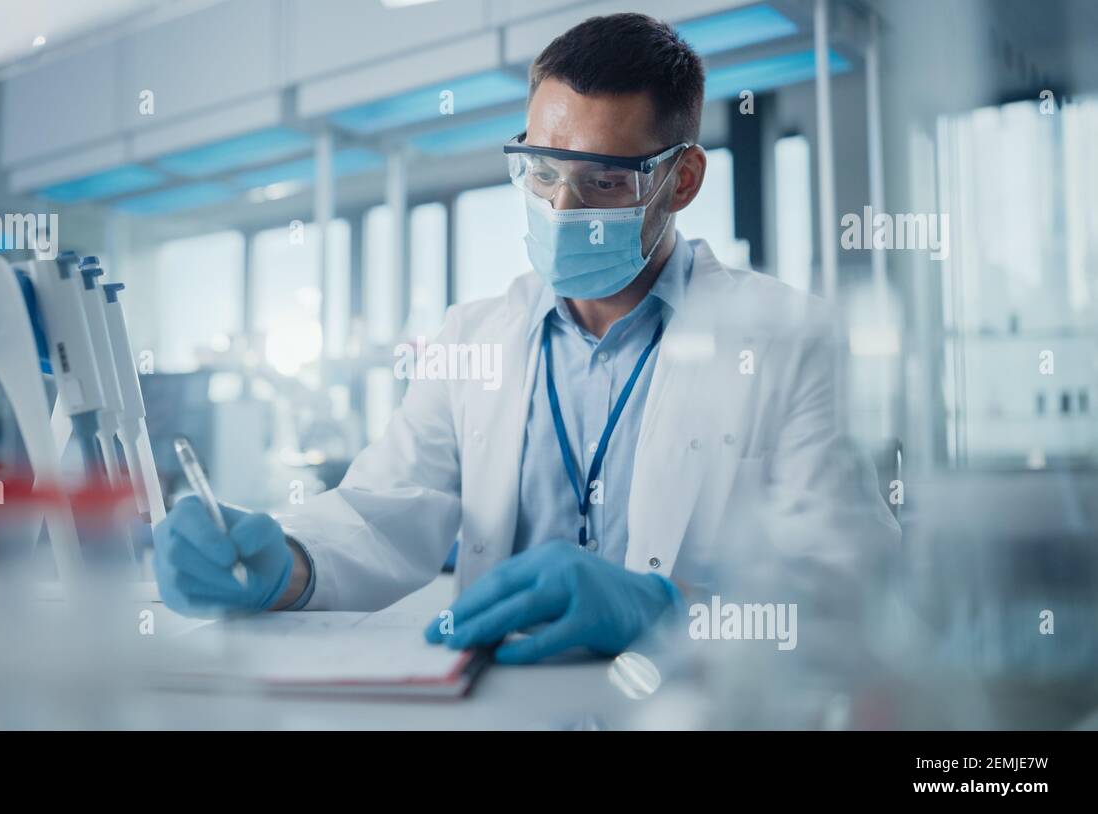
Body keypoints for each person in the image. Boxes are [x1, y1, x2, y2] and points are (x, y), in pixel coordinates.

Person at [154, 13, 900, 664]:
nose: (559, 206)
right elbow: (383, 512)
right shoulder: (473, 338)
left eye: (603, 180)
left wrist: (670, 608)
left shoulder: (786, 338)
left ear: (682, 180)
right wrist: (282, 561)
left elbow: (851, 588)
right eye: (541, 170)